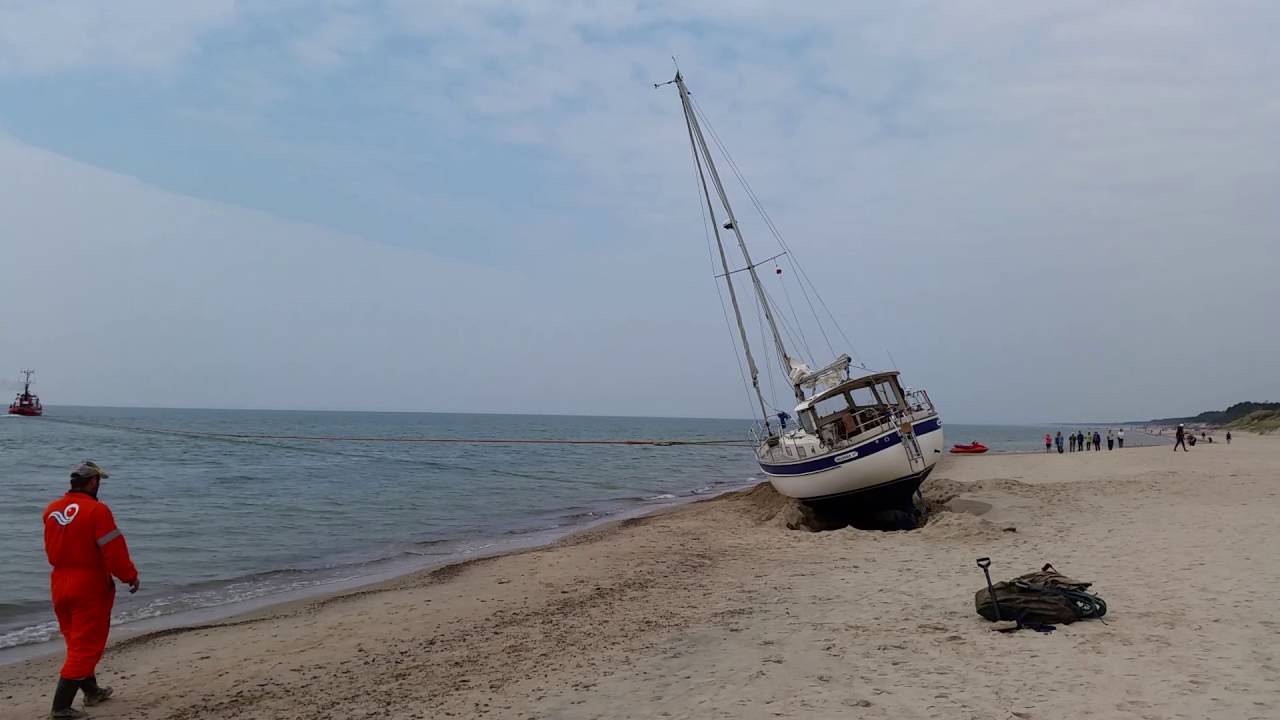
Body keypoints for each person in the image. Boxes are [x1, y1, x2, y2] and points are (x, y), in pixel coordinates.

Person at [43, 461, 140, 719]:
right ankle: (61, 707)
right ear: (93, 482)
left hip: (60, 583)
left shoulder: (51, 509)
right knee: (85, 647)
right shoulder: (97, 511)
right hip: (88, 585)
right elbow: (114, 551)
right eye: (100, 481)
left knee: (75, 641)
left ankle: (92, 691)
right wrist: (129, 576)